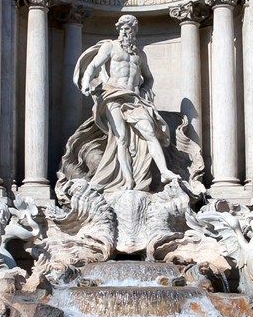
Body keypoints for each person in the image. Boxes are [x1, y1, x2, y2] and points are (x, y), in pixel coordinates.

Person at [72, 14, 177, 192]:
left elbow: (149, 78)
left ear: (134, 30)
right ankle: (128, 180)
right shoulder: (110, 47)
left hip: (134, 98)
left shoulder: (140, 55)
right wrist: (86, 82)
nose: (124, 31)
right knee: (121, 138)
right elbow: (94, 66)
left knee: (149, 132)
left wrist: (144, 90)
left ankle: (165, 171)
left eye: (128, 28)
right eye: (121, 28)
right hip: (113, 95)